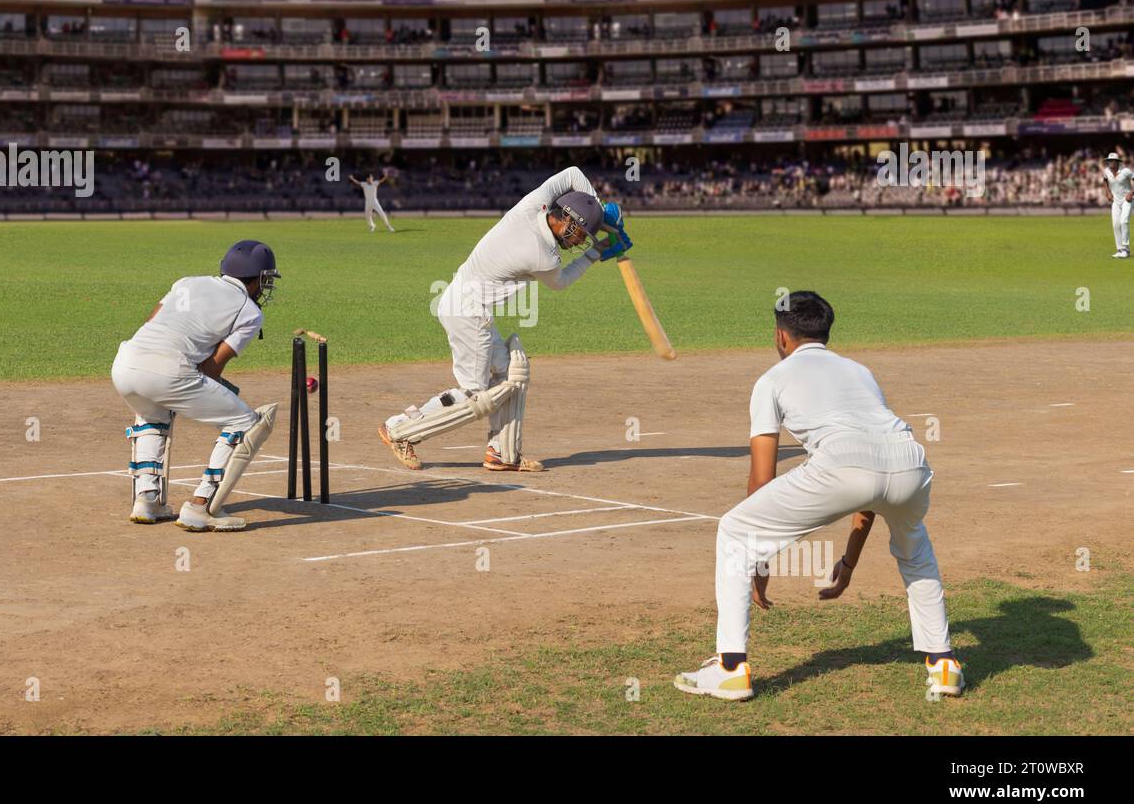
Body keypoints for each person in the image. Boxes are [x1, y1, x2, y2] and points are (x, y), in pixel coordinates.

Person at [674, 291, 962, 701]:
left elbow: (762, 477)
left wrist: (759, 559)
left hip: (844, 464)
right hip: (910, 463)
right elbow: (875, 486)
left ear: (781, 337)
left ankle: (730, 668)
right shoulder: (860, 371)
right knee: (915, 549)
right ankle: (944, 665)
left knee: (735, 530)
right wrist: (847, 563)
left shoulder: (772, 380)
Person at [378, 166, 630, 472]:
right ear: (568, 221)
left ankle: (502, 453)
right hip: (467, 311)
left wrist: (598, 209)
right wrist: (596, 252)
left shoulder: (532, 204)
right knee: (475, 394)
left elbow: (573, 173)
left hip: (466, 304)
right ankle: (400, 430)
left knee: (513, 371)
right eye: (582, 234)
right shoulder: (542, 254)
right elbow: (559, 282)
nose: (580, 242)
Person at [111, 240, 280, 531]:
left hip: (126, 362)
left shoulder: (187, 283)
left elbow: (153, 321)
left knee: (153, 415)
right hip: (169, 371)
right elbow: (212, 368)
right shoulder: (250, 312)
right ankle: (201, 507)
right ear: (259, 279)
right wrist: (218, 389)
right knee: (246, 422)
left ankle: (147, 501)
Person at [1100, 151, 1132, 258]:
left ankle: (1126, 250)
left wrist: (1131, 193)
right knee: (1116, 224)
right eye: (1109, 161)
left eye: (1113, 161)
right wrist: (1108, 192)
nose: (1111, 163)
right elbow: (1105, 180)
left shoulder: (1126, 171)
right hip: (1116, 201)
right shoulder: (1107, 171)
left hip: (1127, 200)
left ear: (1117, 162)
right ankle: (1119, 249)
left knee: (1124, 221)